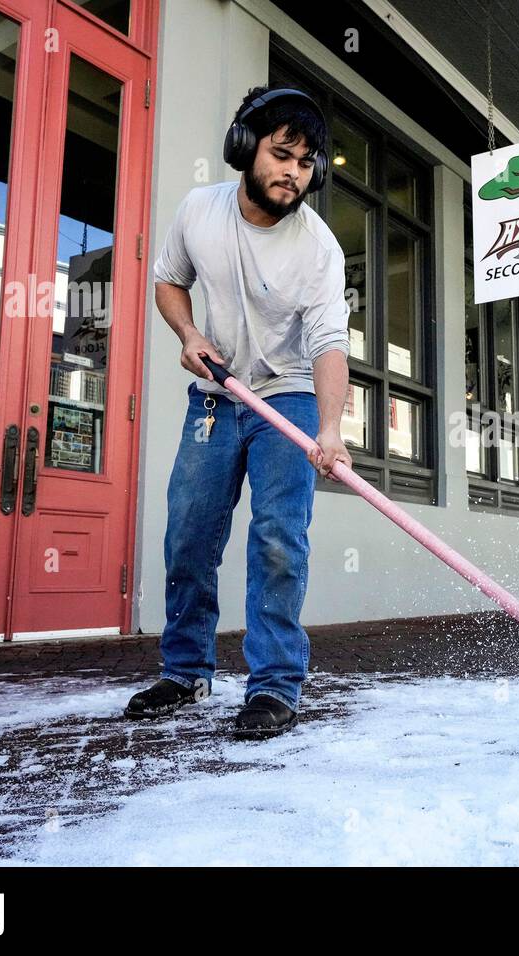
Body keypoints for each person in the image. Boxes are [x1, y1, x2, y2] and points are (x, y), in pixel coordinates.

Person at [123, 86, 352, 738]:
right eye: (283, 154)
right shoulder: (200, 210)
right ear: (244, 146)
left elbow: (330, 346)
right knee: (190, 532)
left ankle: (275, 687)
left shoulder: (318, 249)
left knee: (279, 538)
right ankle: (186, 671)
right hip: (218, 396)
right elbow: (169, 279)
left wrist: (330, 429)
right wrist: (188, 335)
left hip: (292, 395)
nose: (295, 172)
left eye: (307, 161)